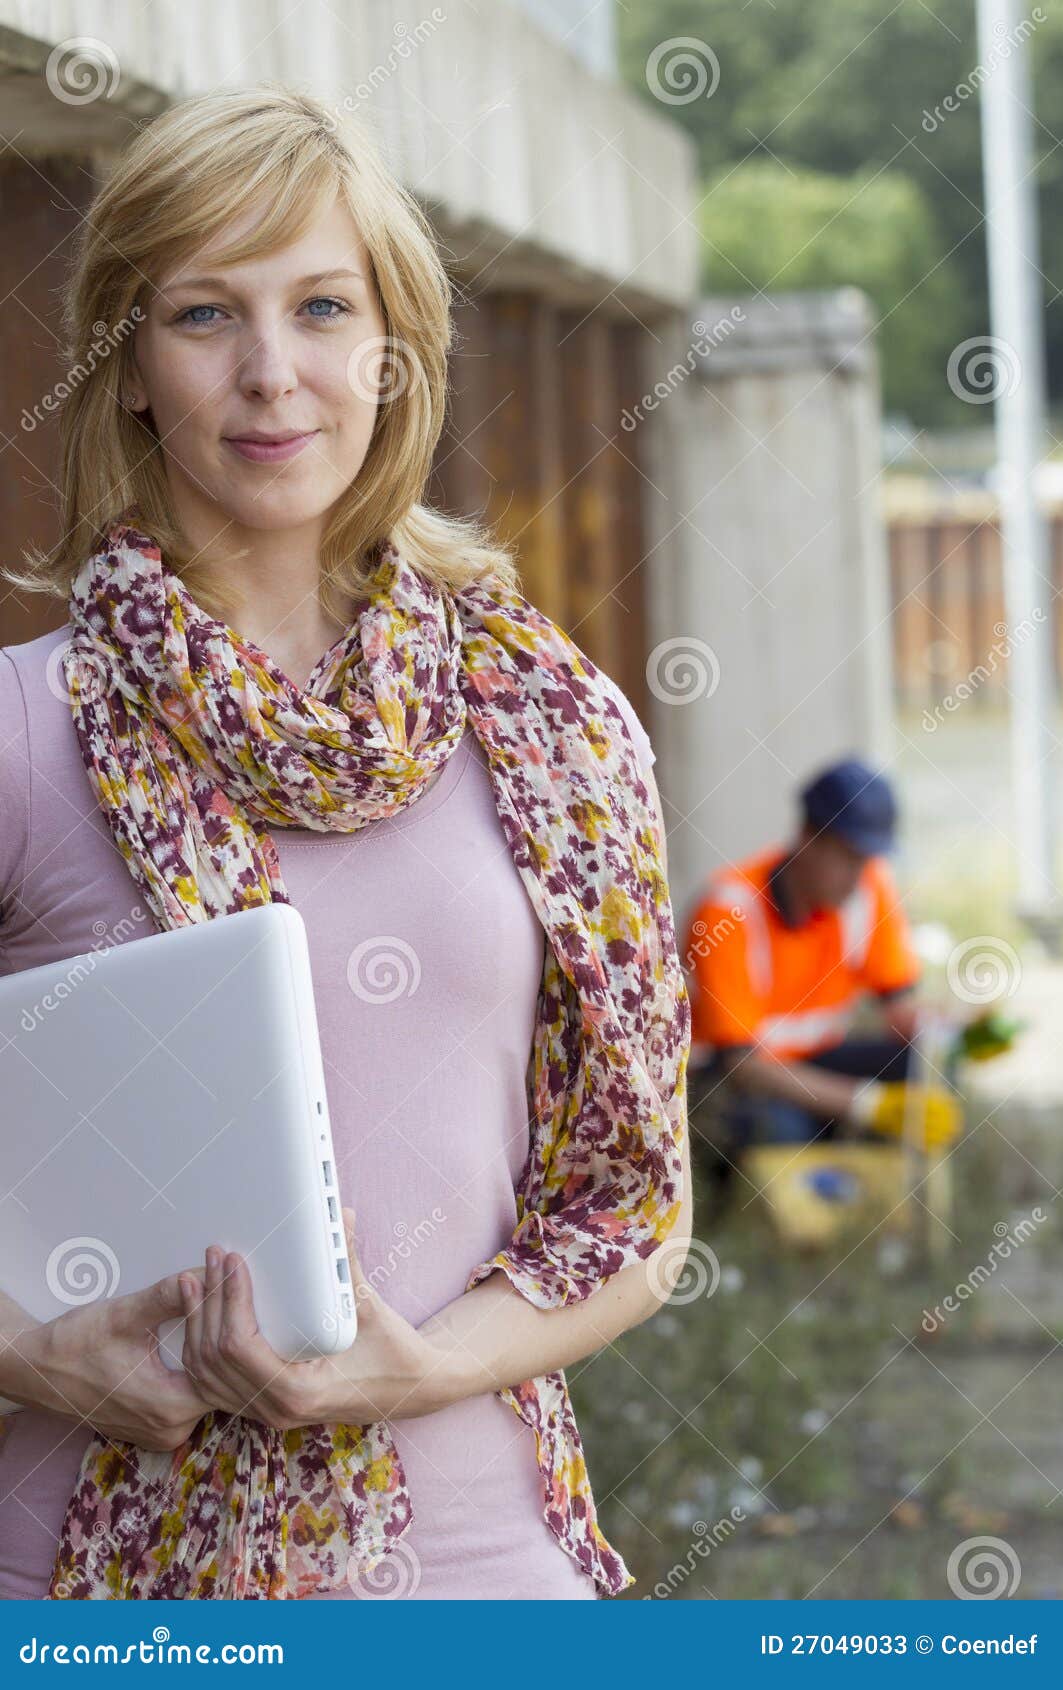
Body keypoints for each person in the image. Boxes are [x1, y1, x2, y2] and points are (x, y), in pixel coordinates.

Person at [0, 84, 692, 1601]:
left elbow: (631, 1210)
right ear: (126, 366)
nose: (269, 375)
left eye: (321, 306)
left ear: (391, 350)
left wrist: (411, 1365)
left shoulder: (556, 728)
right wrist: (32, 1352)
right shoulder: (20, 733)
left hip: (478, 1568)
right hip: (70, 1580)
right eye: (202, 314)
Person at [684, 757, 945, 1157]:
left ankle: (883, 1196)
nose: (858, 875)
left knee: (922, 1067)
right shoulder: (728, 910)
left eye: (867, 859)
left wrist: (956, 1034)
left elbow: (901, 1009)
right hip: (734, 1082)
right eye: (848, 857)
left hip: (815, 1063)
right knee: (780, 1126)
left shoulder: (867, 887)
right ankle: (800, 1208)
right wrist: (865, 1104)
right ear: (807, 838)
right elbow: (741, 1065)